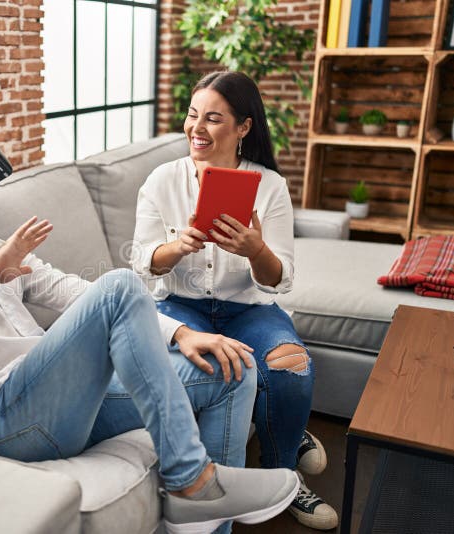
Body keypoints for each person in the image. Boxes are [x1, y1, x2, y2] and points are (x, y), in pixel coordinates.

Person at [0, 130, 299, 534]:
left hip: (65, 405)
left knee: (232, 367)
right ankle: (191, 479)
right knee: (120, 285)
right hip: (4, 420)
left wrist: (181, 333)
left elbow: (74, 292)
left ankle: (206, 519)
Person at [130, 71, 339, 531]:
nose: (196, 128)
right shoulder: (162, 180)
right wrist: (177, 247)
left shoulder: (269, 185)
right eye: (192, 115)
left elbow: (279, 279)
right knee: (217, 369)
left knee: (291, 368)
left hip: (249, 310)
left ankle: (284, 477)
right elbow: (143, 264)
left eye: (213, 118)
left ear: (244, 127)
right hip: (180, 306)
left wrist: (256, 250)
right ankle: (277, 436)